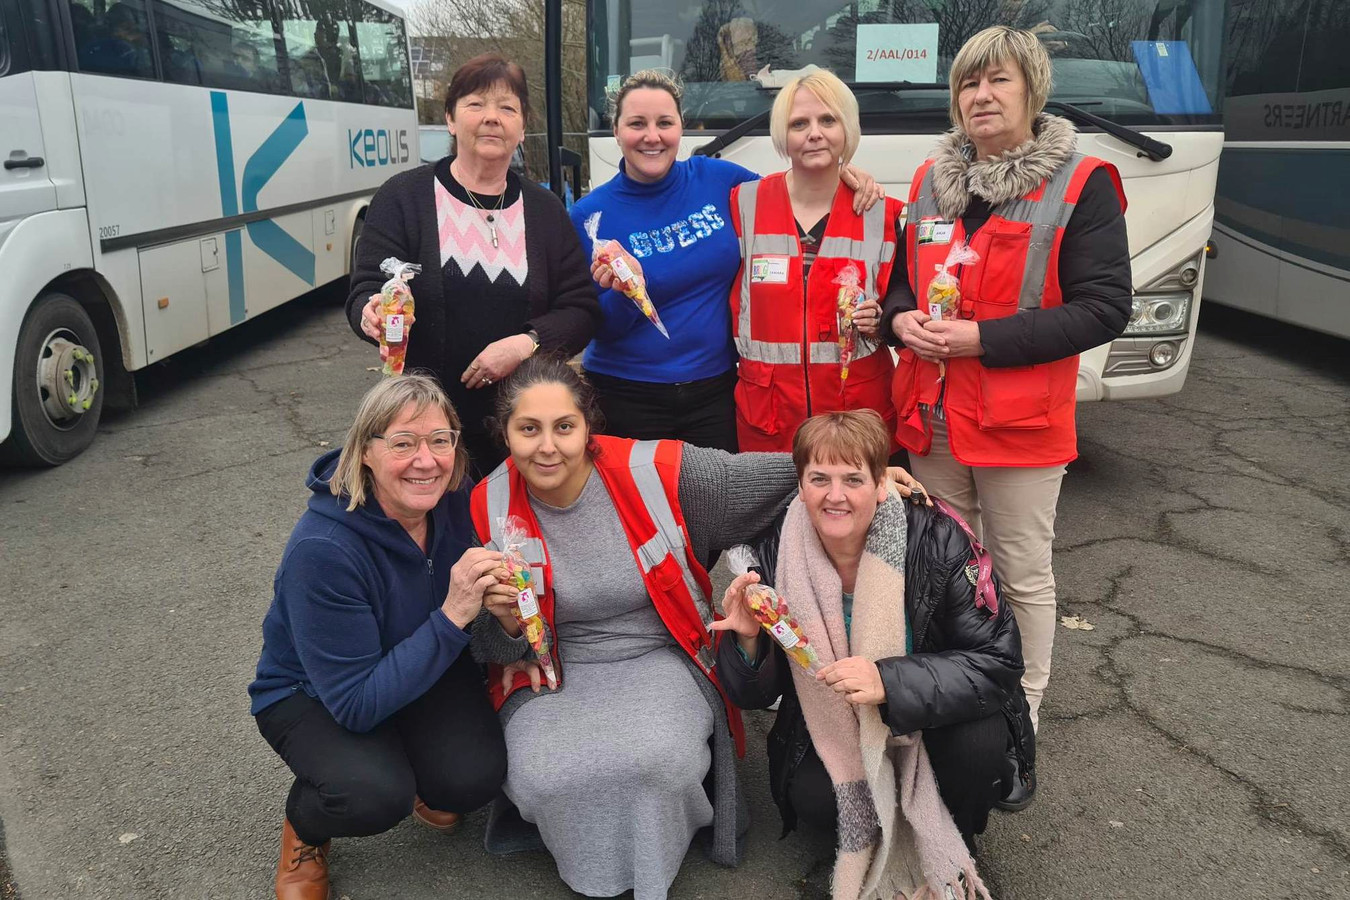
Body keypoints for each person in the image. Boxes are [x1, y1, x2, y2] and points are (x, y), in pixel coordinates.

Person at [467, 356, 927, 899]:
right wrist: (504, 625)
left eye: (564, 427)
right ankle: (595, 871)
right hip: (557, 669)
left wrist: (865, 474)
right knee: (548, 774)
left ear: (590, 427)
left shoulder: (655, 472)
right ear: (505, 433)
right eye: (529, 429)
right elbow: (486, 644)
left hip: (661, 653)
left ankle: (649, 866)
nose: (547, 446)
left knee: (655, 762)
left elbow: (778, 475)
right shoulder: (488, 503)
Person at [882, 26, 1132, 808]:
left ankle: (1019, 716)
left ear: (1032, 90)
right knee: (944, 571)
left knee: (1021, 576)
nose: (981, 97)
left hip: (1021, 428)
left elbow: (1104, 309)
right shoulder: (929, 180)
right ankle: (956, 700)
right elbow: (897, 288)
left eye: (997, 82)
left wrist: (980, 340)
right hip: (933, 419)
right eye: (968, 85)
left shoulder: (1083, 182)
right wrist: (900, 325)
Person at [714, 411, 1027, 899]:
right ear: (800, 485)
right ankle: (885, 826)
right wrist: (749, 642)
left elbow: (998, 660)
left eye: (853, 479)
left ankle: (945, 846)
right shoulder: (775, 553)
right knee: (816, 801)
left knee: (975, 753)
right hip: (838, 724)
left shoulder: (938, 538)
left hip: (937, 720)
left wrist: (888, 681)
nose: (834, 496)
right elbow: (754, 694)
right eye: (819, 478)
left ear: (883, 485)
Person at [248, 375, 516, 900]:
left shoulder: (458, 500)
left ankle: (412, 764)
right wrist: (454, 612)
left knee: (473, 779)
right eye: (403, 442)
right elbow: (355, 704)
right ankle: (307, 825)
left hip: (420, 663)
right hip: (317, 693)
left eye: (440, 440)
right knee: (371, 795)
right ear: (365, 452)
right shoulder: (323, 550)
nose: (426, 460)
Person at [568, 70, 882, 453]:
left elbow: (792, 193)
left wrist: (843, 171)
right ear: (616, 131)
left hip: (714, 395)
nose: (652, 136)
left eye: (665, 123)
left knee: (716, 508)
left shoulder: (719, 180)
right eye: (637, 124)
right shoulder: (590, 216)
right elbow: (594, 327)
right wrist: (623, 292)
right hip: (627, 396)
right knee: (641, 509)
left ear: (681, 127)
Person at [349, 54, 599, 477]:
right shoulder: (404, 197)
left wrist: (525, 343)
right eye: (475, 104)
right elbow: (365, 289)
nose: (491, 118)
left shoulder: (544, 210)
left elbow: (582, 310)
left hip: (522, 428)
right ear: (450, 119)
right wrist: (370, 313)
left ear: (522, 127)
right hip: (427, 422)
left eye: (507, 108)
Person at [729, 69, 904, 452]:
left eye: (828, 120)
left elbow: (904, 304)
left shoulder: (882, 213)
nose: (814, 133)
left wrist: (881, 323)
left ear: (847, 129)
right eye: (798, 123)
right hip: (771, 420)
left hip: (856, 419)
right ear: (782, 135)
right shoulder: (742, 202)